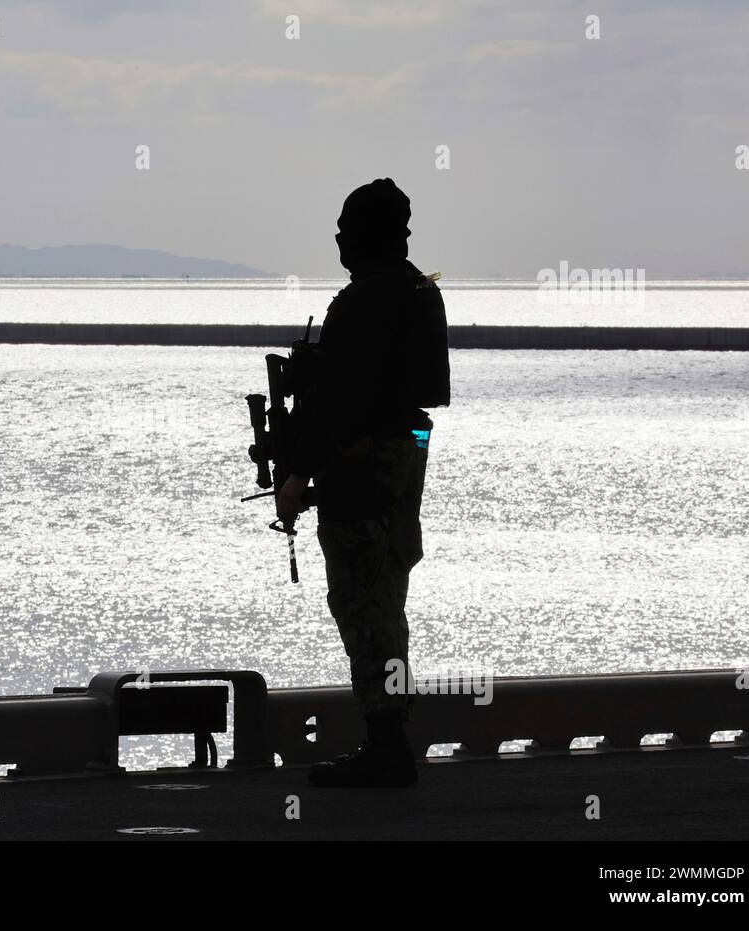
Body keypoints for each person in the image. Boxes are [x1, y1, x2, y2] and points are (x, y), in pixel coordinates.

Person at [275, 178, 449, 787]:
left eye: (348, 231)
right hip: (410, 450)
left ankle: (385, 744)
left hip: (366, 462)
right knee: (388, 600)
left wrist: (296, 475)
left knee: (362, 602)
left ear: (366, 236)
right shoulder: (421, 292)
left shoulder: (362, 301)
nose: (341, 243)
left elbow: (336, 404)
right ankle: (391, 734)